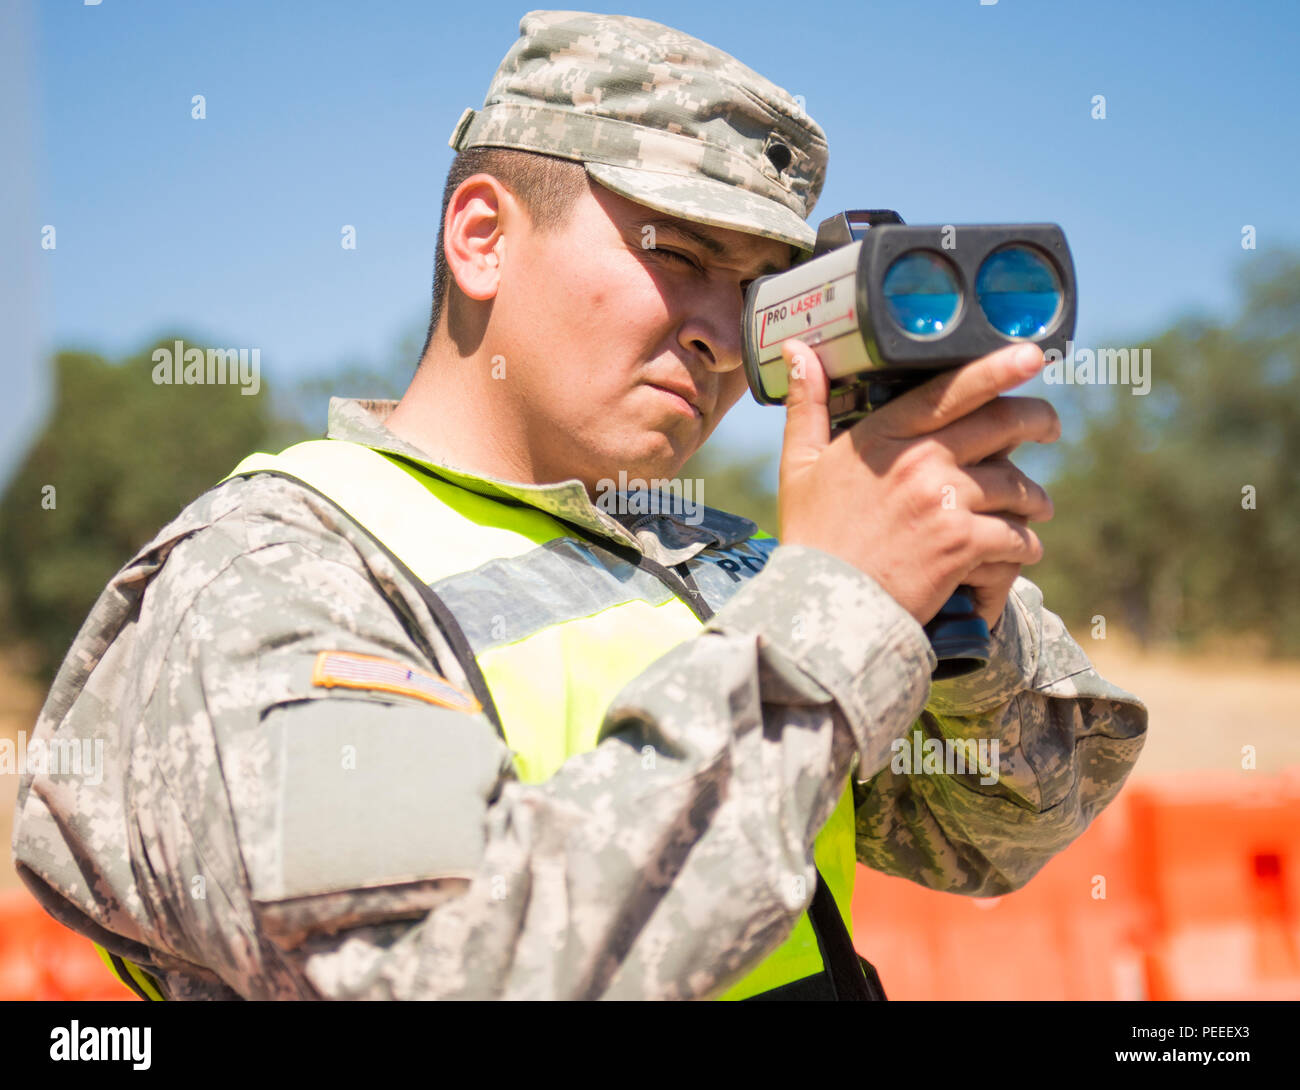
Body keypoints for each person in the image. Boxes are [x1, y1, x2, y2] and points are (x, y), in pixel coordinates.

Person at [11, 9, 1147, 1001]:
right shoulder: (268, 571)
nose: (718, 327)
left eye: (755, 286)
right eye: (679, 251)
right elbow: (450, 971)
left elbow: (992, 835)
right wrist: (832, 616)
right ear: (483, 236)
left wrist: (957, 620)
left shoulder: (731, 568)